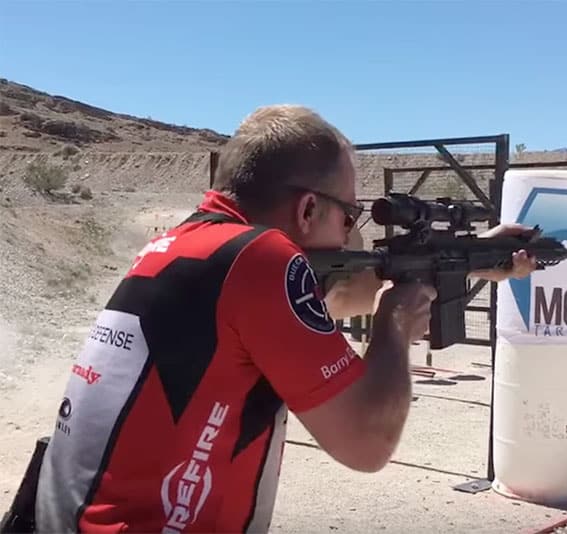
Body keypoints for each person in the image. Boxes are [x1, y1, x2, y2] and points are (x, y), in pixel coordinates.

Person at [33, 105, 539, 533]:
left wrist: (470, 258)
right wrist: (396, 324)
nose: (348, 234)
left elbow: (317, 311)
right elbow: (367, 444)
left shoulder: (188, 247)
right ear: (308, 209)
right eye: (348, 215)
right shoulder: (263, 260)